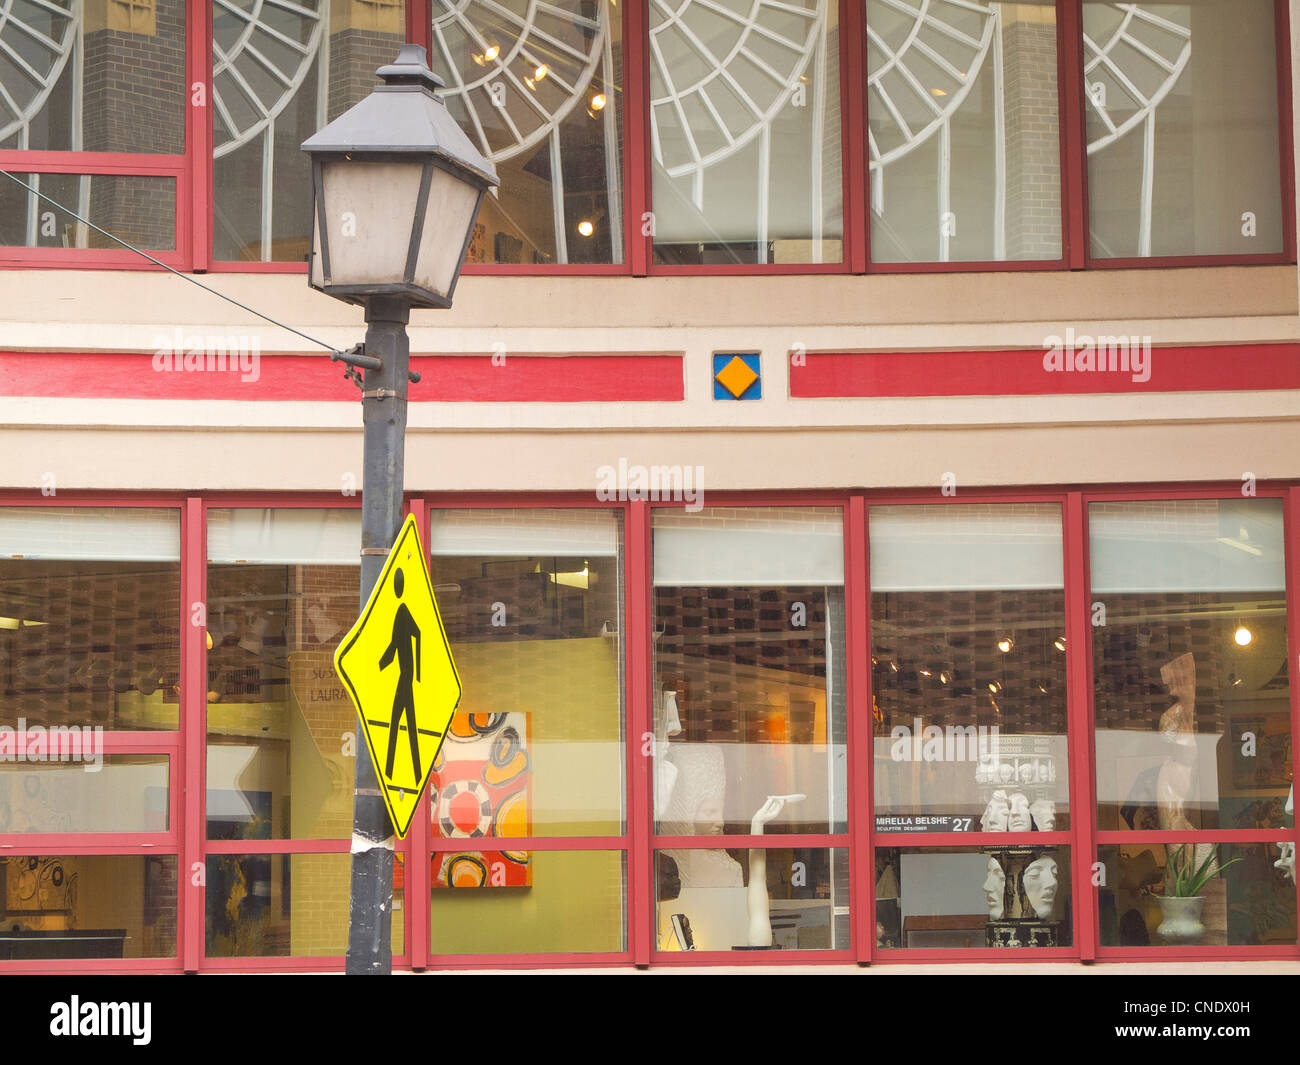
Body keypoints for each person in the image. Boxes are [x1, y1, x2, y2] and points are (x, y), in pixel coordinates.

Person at [379, 567, 422, 785]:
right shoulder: (399, 611)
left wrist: (419, 673)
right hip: (404, 676)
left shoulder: (403, 610)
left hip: (406, 677)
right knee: (404, 724)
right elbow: (396, 644)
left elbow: (416, 635)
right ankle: (413, 774)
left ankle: (395, 772)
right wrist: (381, 664)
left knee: (398, 722)